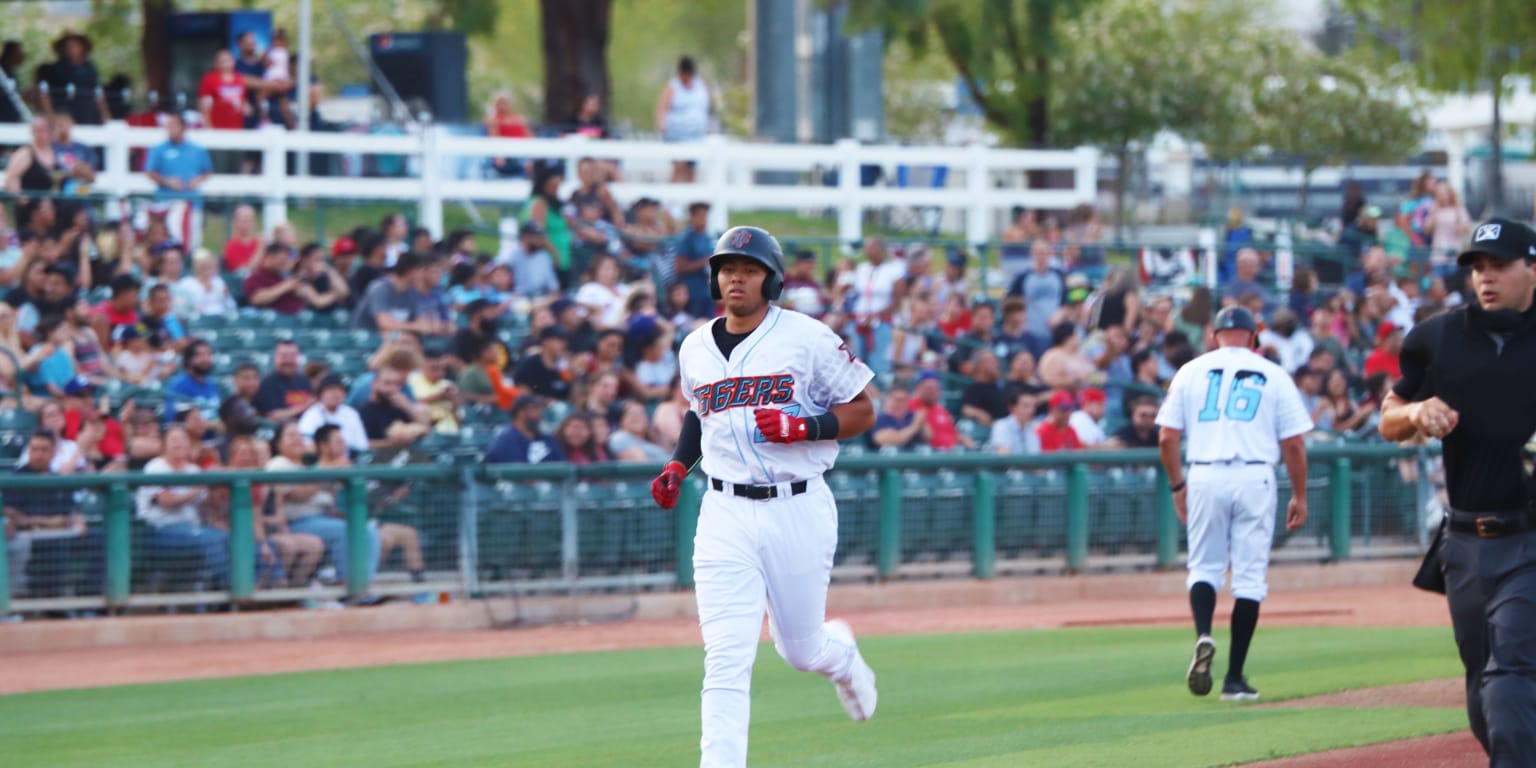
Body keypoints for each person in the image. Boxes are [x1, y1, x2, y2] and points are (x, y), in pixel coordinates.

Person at [649, 225, 879, 767]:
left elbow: (865, 410)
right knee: (726, 658)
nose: (736, 278)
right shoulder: (695, 348)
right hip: (724, 510)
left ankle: (840, 657)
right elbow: (697, 414)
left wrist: (807, 427)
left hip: (797, 505)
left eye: (748, 270)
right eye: (728, 268)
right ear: (714, 277)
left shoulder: (806, 337)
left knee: (800, 651)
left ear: (770, 279)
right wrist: (679, 465)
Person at [1379, 218, 1536, 761]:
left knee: (1510, 669)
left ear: (1531, 269)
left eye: (1499, 266)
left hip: (1530, 537)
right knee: (1480, 682)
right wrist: (1417, 410)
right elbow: (1388, 417)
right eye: (1477, 268)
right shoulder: (1436, 337)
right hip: (1465, 542)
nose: (1485, 278)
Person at [1156, 306, 1311, 703]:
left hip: (1205, 473)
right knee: (1249, 579)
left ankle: (1204, 633)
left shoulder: (1190, 371)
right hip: (1254, 475)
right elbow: (1293, 444)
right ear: (1254, 336)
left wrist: (1178, 486)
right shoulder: (1274, 374)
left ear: (1214, 336)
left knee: (1203, 567)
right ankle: (1234, 679)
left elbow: (1166, 439)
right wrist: (1300, 494)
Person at [142, 113, 212, 248]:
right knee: (169, 241)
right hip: (166, 204)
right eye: (167, 126)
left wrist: (197, 180)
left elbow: (207, 171)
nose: (169, 129)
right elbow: (149, 172)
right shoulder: (158, 149)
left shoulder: (197, 149)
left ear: (183, 127)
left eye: (173, 126)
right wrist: (167, 181)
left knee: (193, 242)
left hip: (192, 203)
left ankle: (189, 264)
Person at [655, 55, 711, 183]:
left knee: (691, 169)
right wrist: (661, 125)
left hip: (696, 136)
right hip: (677, 135)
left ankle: (691, 201)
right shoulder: (672, 87)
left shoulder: (700, 86)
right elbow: (662, 107)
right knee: (679, 166)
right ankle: (671, 200)